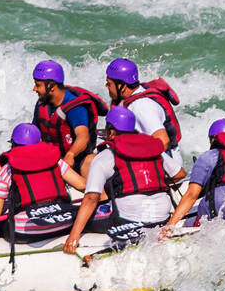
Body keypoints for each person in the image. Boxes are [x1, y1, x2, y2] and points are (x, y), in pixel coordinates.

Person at [62, 106, 185, 255]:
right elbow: (180, 174)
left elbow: (91, 197)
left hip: (127, 220)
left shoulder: (107, 155)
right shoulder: (152, 149)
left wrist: (74, 236)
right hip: (162, 217)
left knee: (76, 216)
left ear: (111, 132)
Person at [0, 123, 88, 264]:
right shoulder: (56, 162)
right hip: (63, 224)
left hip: (26, 233)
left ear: (13, 144)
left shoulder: (8, 170)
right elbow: (83, 186)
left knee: (0, 220)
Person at [30, 60, 107, 174]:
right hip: (53, 160)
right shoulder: (42, 103)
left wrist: (70, 155)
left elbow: (83, 136)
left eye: (38, 85)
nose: (34, 89)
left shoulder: (75, 108)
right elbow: (35, 131)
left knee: (88, 162)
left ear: (51, 86)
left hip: (76, 162)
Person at [104, 58, 183, 155]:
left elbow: (163, 141)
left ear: (122, 85)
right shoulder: (138, 92)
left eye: (109, 83)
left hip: (165, 163)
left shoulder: (141, 106)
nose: (106, 86)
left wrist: (133, 159)